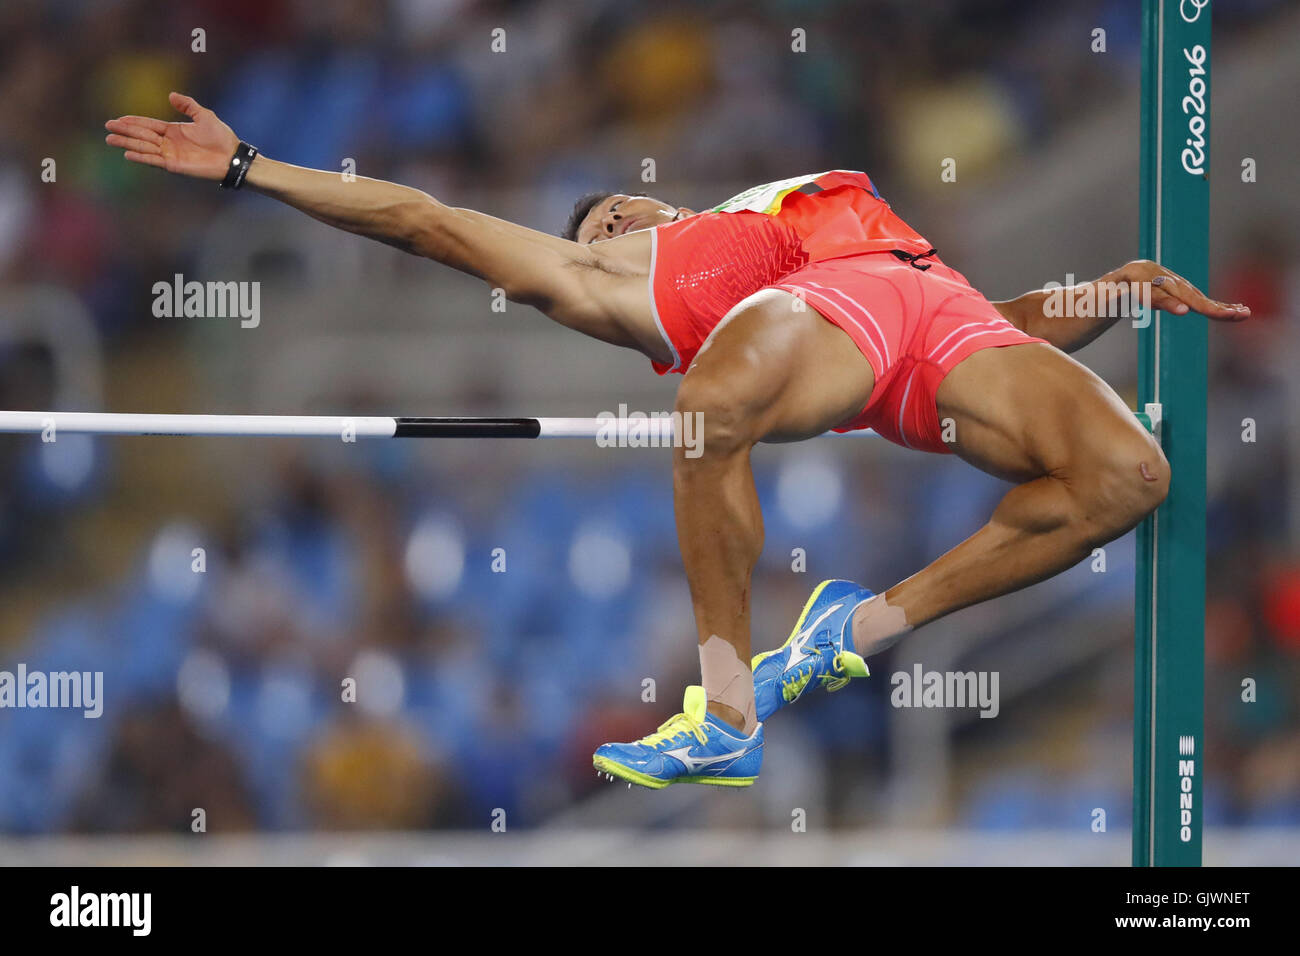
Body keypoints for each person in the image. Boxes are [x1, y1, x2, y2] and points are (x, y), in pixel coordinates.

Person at [105, 93, 1250, 790]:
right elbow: (425, 219)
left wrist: (1110, 290)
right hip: (826, 334)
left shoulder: (748, 212)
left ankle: (850, 629)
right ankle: (724, 708)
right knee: (710, 407)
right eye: (593, 223)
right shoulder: (614, 281)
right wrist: (253, 168)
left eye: (619, 208)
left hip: (934, 307)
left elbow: (989, 321)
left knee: (1129, 476)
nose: (612, 220)